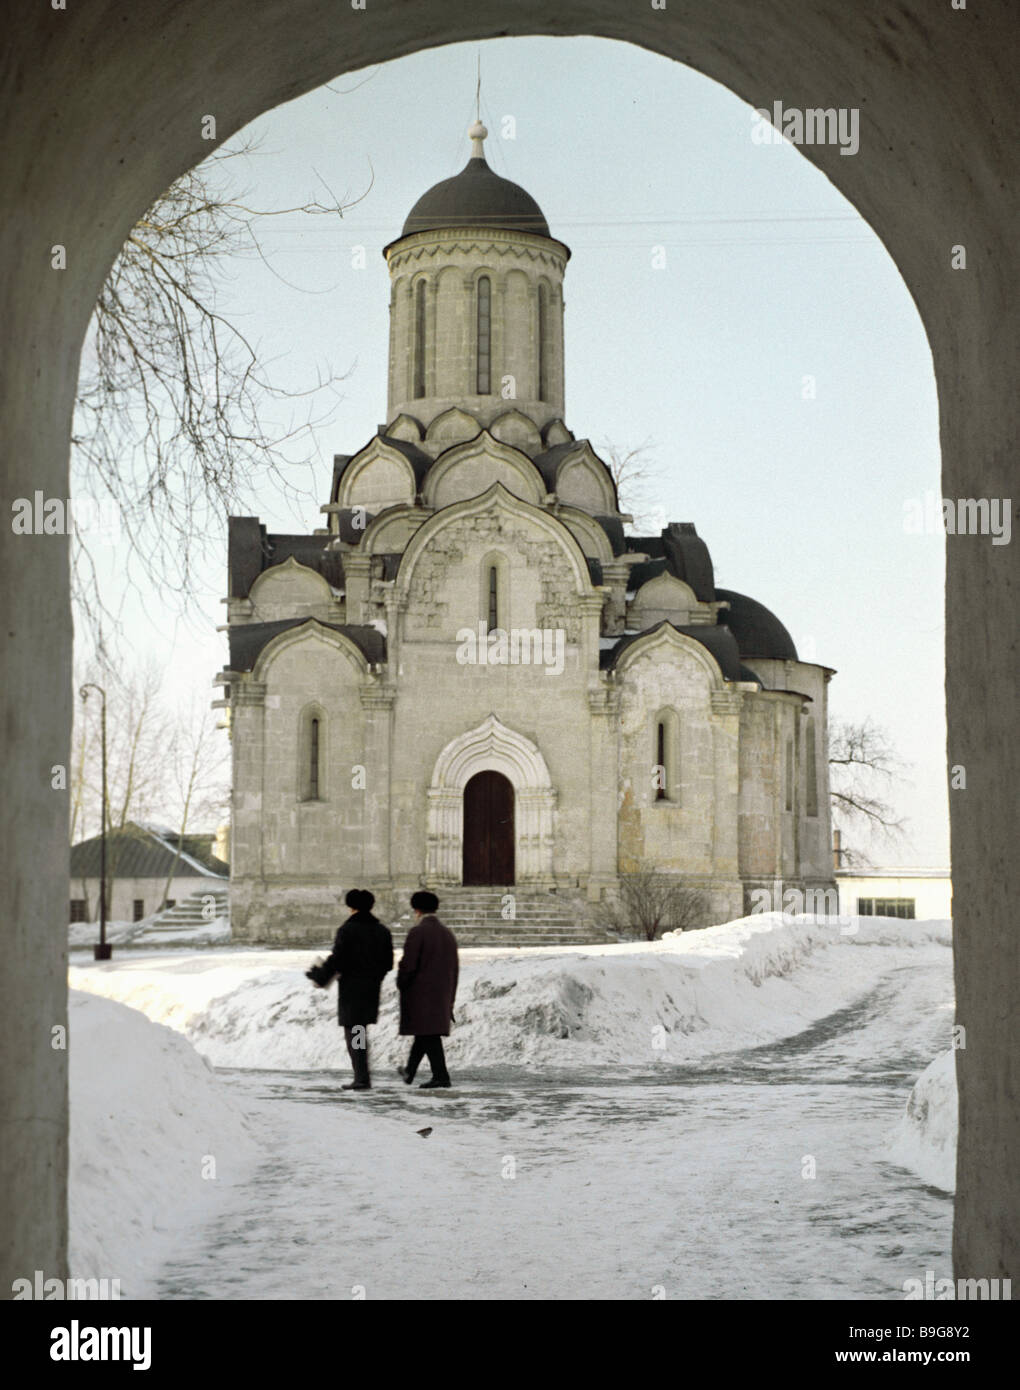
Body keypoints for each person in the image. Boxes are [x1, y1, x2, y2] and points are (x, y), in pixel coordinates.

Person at [306, 888, 393, 1091]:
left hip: (352, 989)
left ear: (350, 906)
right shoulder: (382, 930)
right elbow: (388, 963)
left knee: (356, 1031)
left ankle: (362, 1078)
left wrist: (319, 976)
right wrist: (374, 976)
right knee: (359, 1030)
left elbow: (338, 960)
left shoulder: (348, 930)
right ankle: (362, 1076)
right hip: (371, 987)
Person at [396, 890, 459, 1089]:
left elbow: (408, 964)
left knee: (428, 1033)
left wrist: (402, 982)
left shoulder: (418, 932)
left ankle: (441, 1076)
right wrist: (451, 996)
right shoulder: (447, 933)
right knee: (426, 1033)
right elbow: (454, 968)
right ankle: (410, 1072)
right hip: (441, 993)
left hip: (421, 993)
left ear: (416, 909)